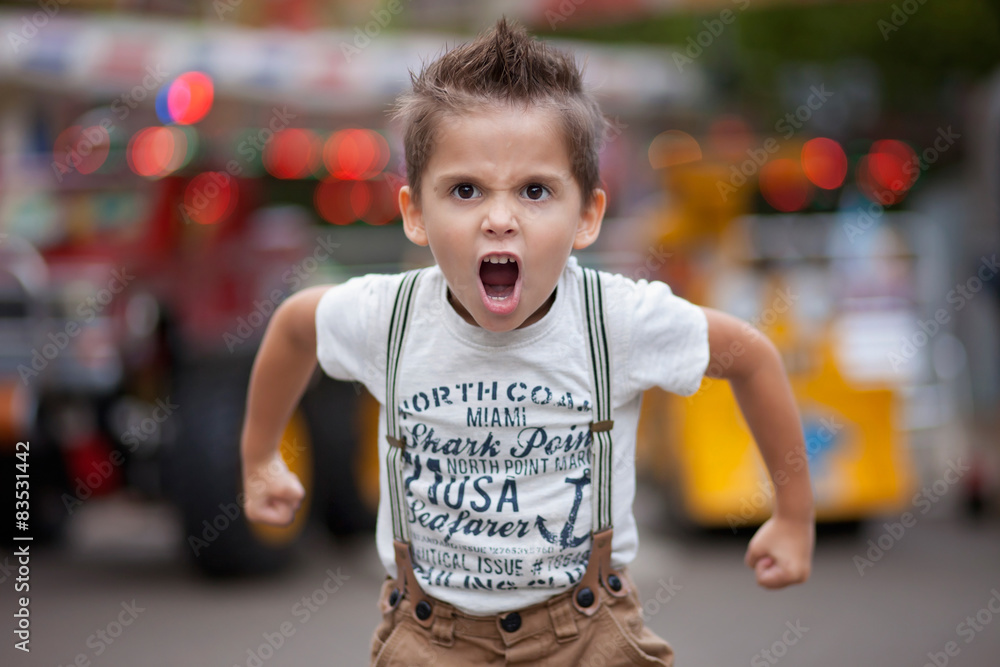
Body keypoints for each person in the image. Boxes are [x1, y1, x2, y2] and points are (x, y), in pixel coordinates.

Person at [240, 19, 814, 666]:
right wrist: (260, 454)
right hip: (430, 636)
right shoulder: (387, 318)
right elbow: (293, 326)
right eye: (465, 190)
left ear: (588, 216)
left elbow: (752, 358)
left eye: (536, 191)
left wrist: (792, 513)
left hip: (587, 631)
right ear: (415, 214)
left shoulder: (617, 320)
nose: (500, 217)